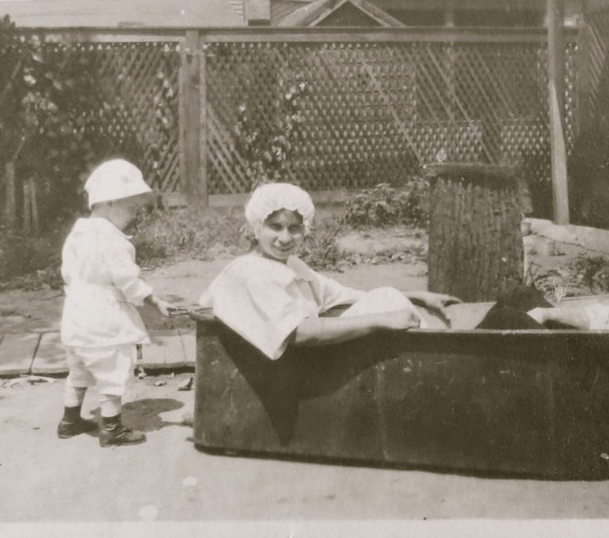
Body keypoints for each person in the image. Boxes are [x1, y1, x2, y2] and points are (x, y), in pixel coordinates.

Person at [198, 183, 461, 360]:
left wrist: (417, 296)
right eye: (275, 227)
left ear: (305, 229)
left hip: (303, 361)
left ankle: (443, 357)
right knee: (386, 310)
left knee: (385, 296)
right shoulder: (252, 272)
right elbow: (299, 333)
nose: (285, 238)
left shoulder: (290, 266)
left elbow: (344, 295)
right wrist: (380, 320)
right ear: (256, 228)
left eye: (294, 228)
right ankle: (442, 361)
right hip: (282, 372)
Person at [57, 159, 178, 447]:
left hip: (75, 315)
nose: (135, 214)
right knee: (111, 371)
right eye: (132, 208)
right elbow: (127, 280)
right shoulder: (114, 240)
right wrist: (154, 299)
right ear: (109, 202)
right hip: (103, 319)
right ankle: (112, 429)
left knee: (79, 370)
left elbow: (67, 271)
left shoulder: (79, 232)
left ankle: (69, 420)